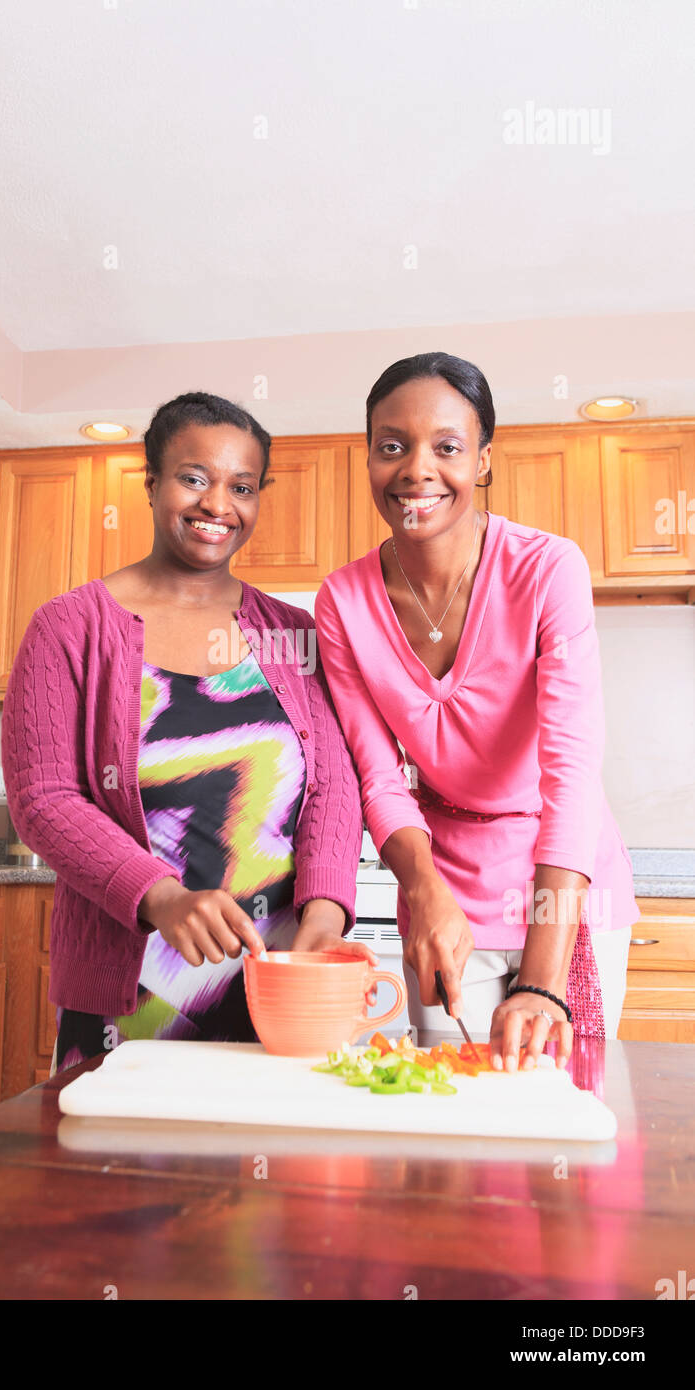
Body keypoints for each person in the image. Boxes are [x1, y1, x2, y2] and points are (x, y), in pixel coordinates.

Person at [0, 392, 368, 1075]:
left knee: (269, 1176)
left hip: (278, 984)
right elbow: (43, 800)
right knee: (114, 1174)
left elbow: (334, 788)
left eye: (242, 487)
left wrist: (325, 913)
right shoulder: (69, 628)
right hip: (130, 988)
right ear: (152, 483)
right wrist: (160, 897)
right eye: (194, 478)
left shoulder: (294, 636)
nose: (216, 505)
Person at [313, 352, 639, 1072]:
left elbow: (571, 775)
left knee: (560, 1108)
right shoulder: (343, 601)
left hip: (563, 883)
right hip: (444, 889)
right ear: (368, 458)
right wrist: (424, 891)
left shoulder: (548, 569)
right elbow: (378, 777)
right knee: (453, 1116)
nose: (416, 470)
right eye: (391, 446)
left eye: (448, 447)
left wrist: (545, 981)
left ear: (484, 458)